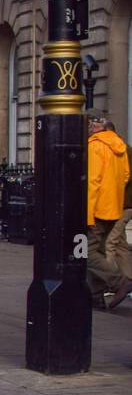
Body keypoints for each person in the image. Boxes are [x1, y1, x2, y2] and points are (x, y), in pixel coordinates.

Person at [85, 113, 132, 310]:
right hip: (114, 207)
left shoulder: (95, 146)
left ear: (93, 126)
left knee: (84, 252)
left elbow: (93, 182)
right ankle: (95, 296)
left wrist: (88, 213)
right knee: (101, 251)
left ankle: (118, 281)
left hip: (98, 209)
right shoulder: (119, 145)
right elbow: (125, 177)